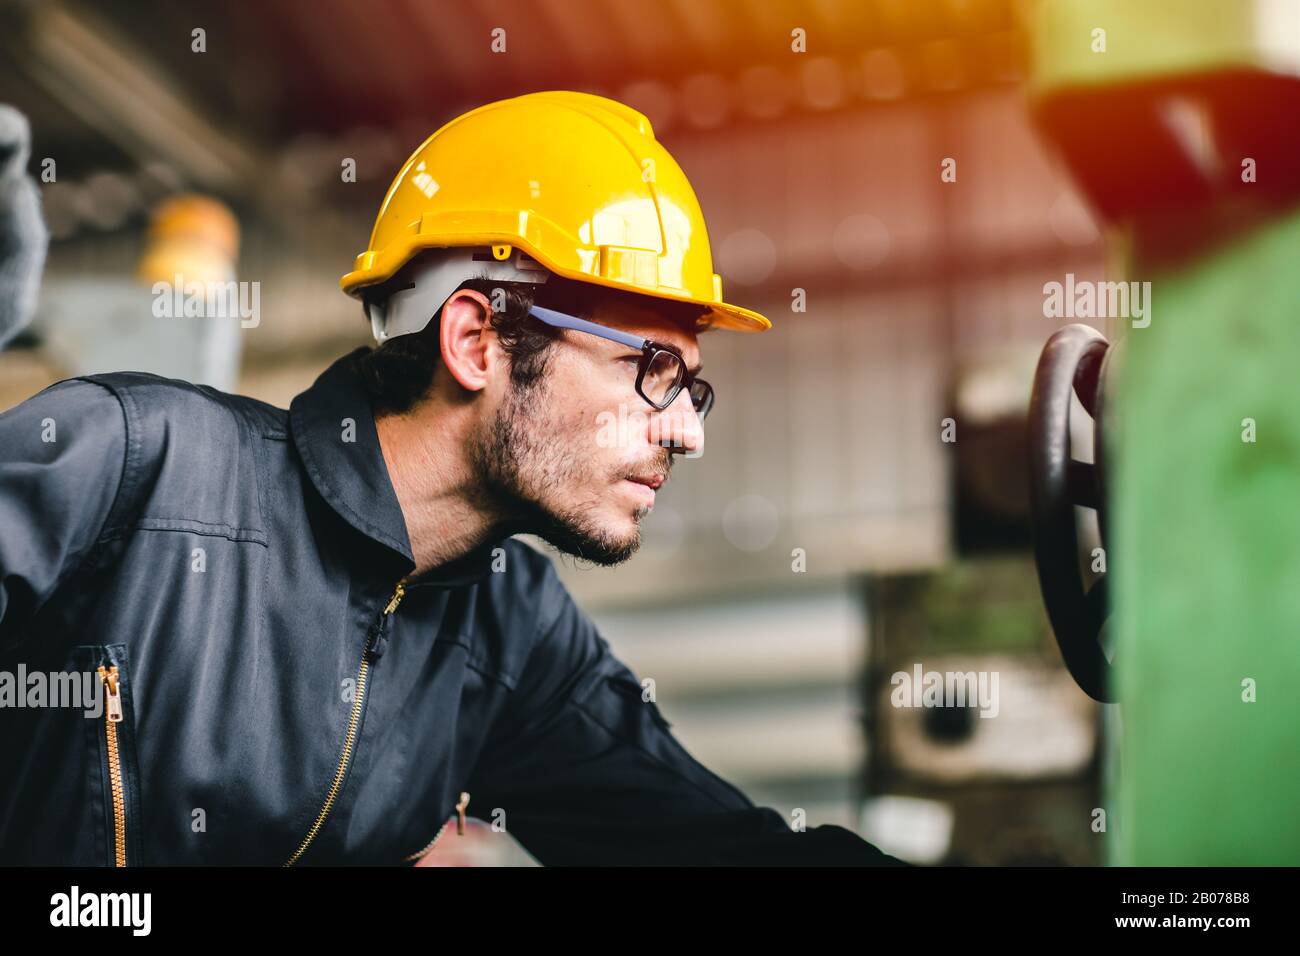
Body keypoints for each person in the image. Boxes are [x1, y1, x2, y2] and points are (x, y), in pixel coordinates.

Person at [0, 91, 901, 865]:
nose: (688, 432)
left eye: (693, 387)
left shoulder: (510, 629)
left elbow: (712, 854)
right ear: (477, 342)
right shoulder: (131, 467)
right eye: (654, 371)